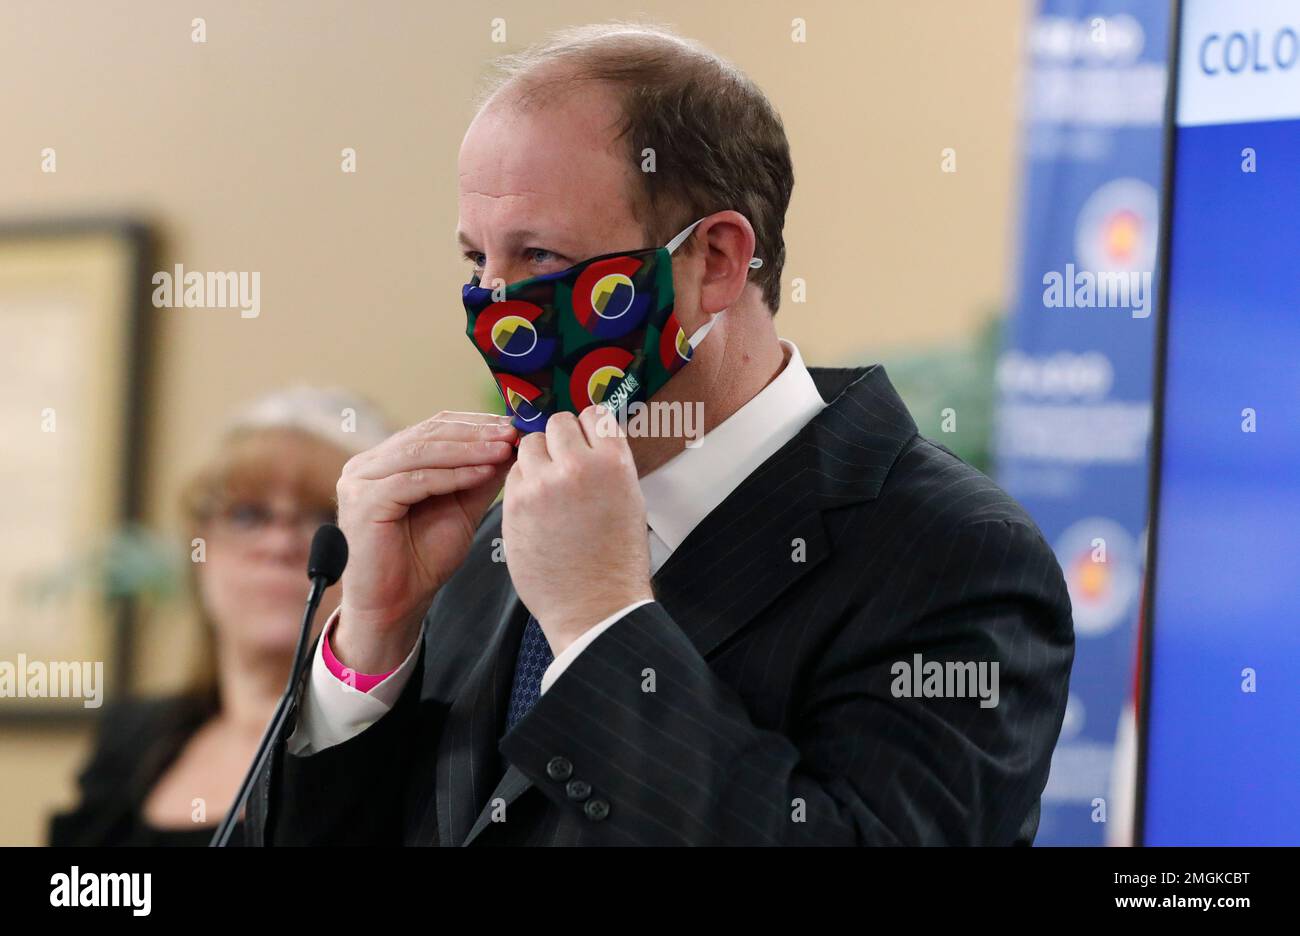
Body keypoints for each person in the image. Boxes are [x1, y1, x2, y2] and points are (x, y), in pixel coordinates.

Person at [247, 24, 1075, 847]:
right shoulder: (492, 536)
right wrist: (369, 645)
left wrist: (602, 625)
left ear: (715, 261)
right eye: (477, 263)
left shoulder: (955, 553)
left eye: (539, 256)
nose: (496, 310)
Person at [48, 387, 390, 846]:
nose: (280, 545)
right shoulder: (131, 739)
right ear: (199, 551)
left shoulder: (408, 747)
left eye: (322, 516)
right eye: (248, 515)